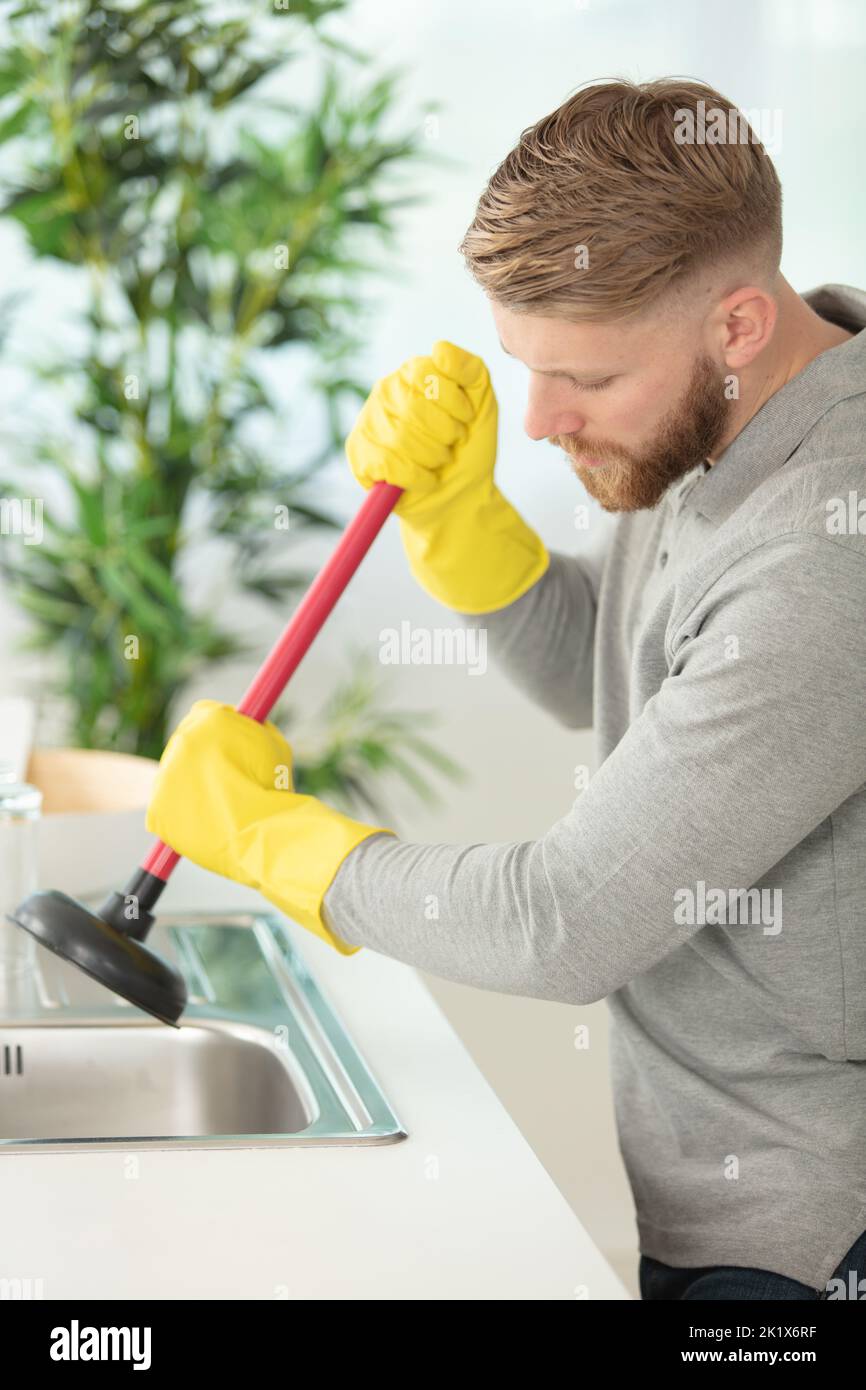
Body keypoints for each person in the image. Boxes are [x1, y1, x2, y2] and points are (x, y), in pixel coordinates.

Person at [145, 78, 866, 1301]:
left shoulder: (823, 552)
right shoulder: (736, 415)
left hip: (807, 1239)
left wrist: (278, 843)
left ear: (738, 325)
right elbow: (611, 665)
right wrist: (459, 525)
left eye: (582, 377)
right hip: (713, 1200)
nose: (536, 420)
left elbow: (566, 920)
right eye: (523, 367)